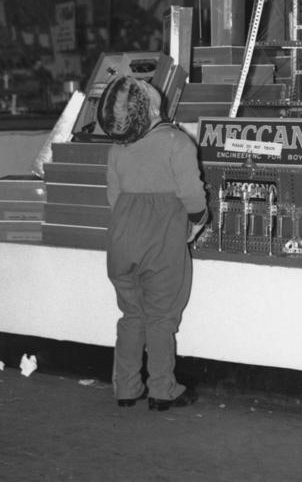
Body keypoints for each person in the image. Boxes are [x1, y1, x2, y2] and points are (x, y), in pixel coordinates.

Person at [96, 74, 208, 411]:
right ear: (153, 105)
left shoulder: (118, 147)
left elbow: (113, 198)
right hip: (161, 238)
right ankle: (163, 390)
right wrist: (197, 223)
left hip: (121, 237)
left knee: (131, 315)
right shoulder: (177, 142)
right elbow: (193, 196)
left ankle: (126, 388)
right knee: (161, 318)